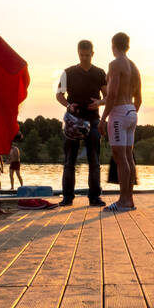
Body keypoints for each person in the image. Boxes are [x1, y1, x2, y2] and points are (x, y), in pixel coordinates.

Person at [56, 40, 108, 208]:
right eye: (81, 55)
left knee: (94, 160)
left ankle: (94, 197)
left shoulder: (100, 73)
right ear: (78, 53)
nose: (84, 58)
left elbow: (108, 97)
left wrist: (99, 103)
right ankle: (67, 197)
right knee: (69, 160)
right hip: (73, 120)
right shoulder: (68, 72)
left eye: (87, 55)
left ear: (93, 54)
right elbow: (59, 95)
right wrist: (68, 105)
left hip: (93, 120)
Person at [100, 32, 141, 213]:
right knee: (128, 156)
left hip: (119, 112)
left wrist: (103, 118)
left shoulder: (115, 64)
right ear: (128, 46)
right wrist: (130, 114)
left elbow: (113, 94)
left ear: (113, 45)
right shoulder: (134, 67)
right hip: (131, 111)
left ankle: (124, 201)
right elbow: (139, 98)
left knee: (120, 157)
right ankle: (129, 200)